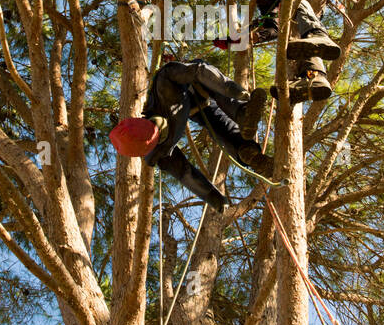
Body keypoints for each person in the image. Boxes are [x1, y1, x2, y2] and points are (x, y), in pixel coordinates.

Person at [167, 0, 339, 102]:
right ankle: (313, 77)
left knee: (290, 1)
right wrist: (238, 40)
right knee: (293, 34)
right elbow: (273, 28)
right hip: (301, 15)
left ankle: (317, 33)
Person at [110, 56, 271, 211]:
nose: (161, 130)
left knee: (216, 116)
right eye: (159, 133)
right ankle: (243, 132)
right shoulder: (163, 83)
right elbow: (198, 70)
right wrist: (236, 92)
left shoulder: (158, 151)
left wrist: (213, 197)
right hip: (197, 100)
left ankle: (243, 138)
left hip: (194, 94)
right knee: (214, 108)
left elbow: (185, 174)